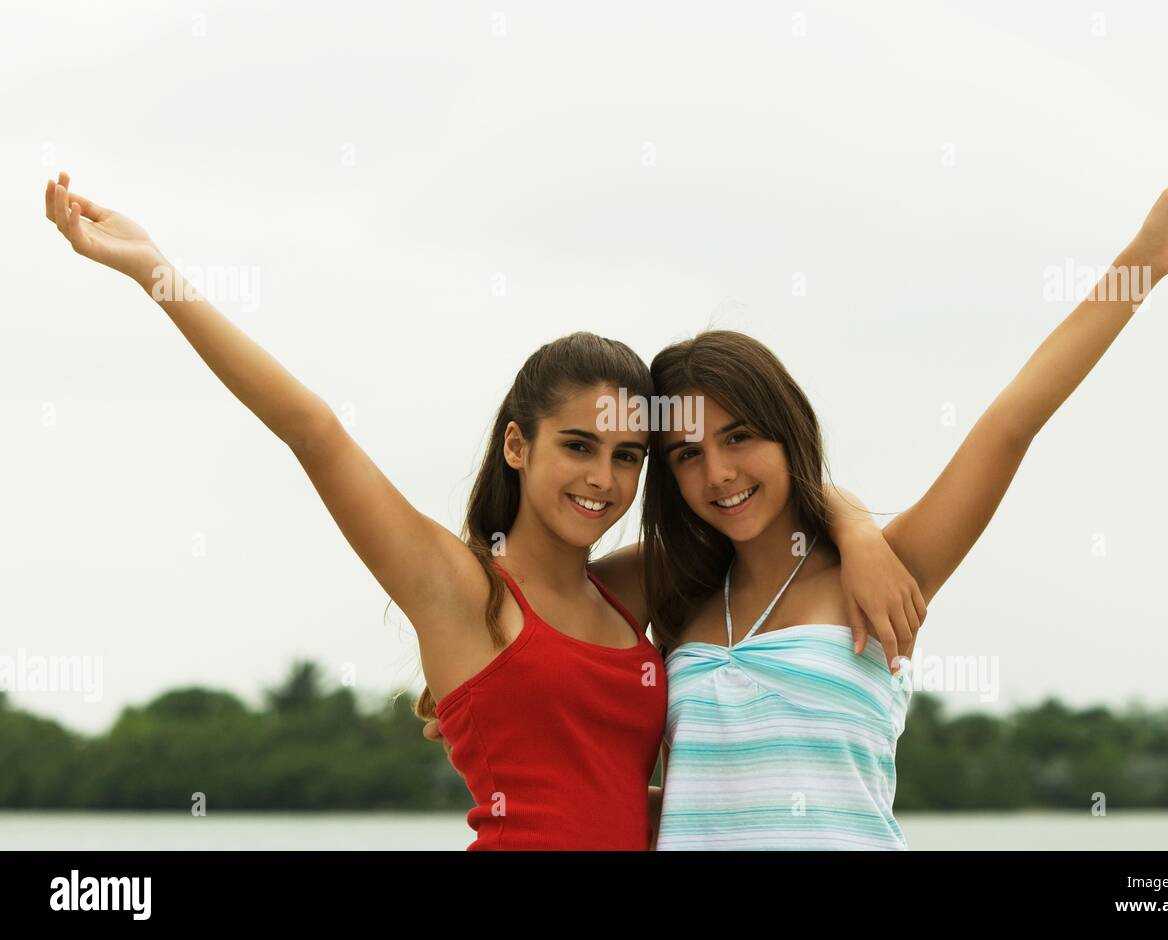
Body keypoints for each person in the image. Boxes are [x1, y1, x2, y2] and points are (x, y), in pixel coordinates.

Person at [42, 173, 922, 849]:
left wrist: (856, 529)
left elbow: (752, 506)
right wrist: (156, 271)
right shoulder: (461, 592)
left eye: (628, 457)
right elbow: (310, 430)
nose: (604, 482)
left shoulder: (636, 588)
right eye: (578, 446)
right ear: (517, 446)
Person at [641, 142, 1168, 849]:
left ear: (787, 433)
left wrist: (1142, 265)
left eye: (740, 436)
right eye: (687, 455)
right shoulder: (670, 592)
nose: (719, 472)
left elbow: (1010, 424)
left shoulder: (886, 570)